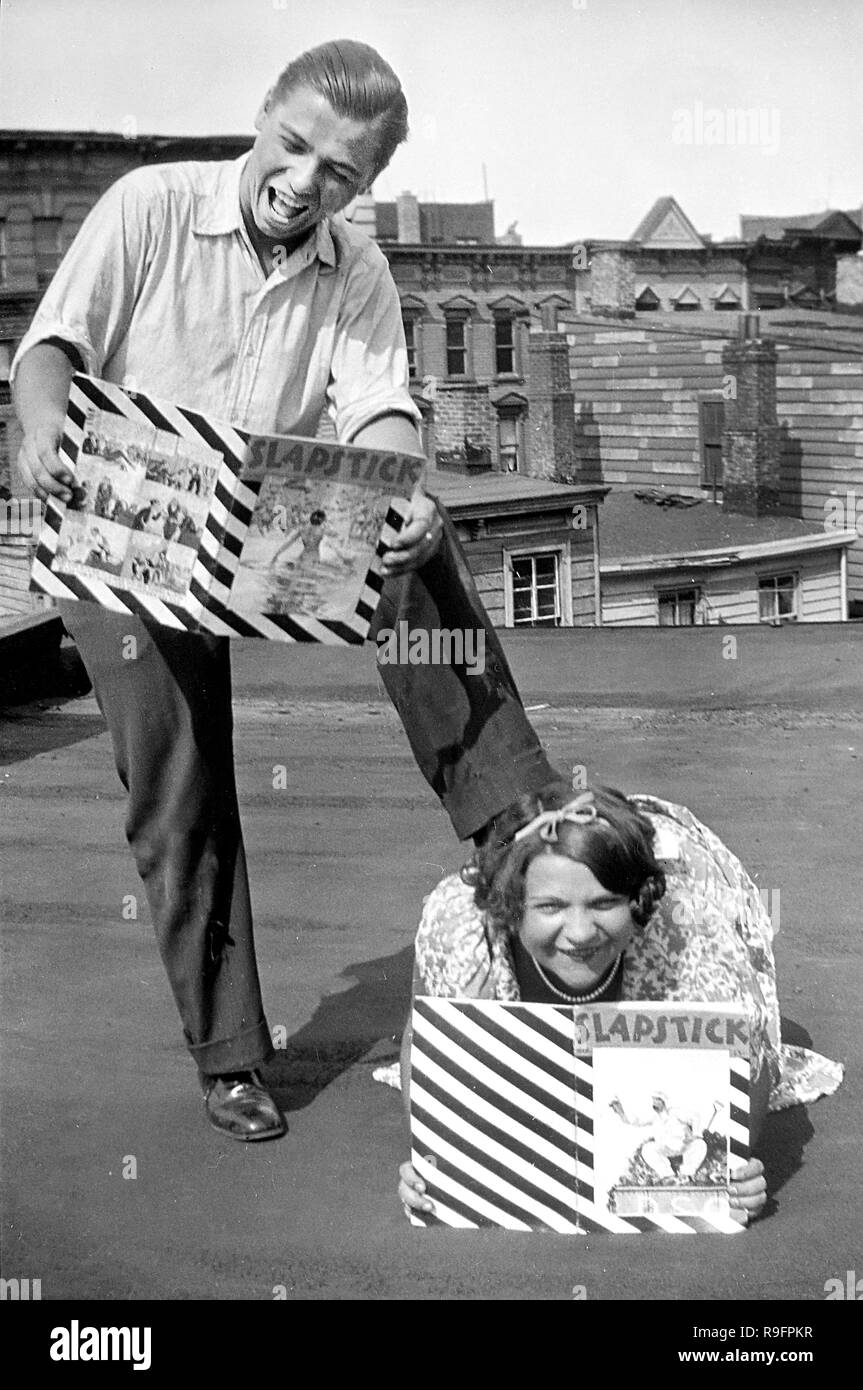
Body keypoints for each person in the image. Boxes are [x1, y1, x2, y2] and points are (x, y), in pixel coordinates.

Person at [11, 39, 556, 1143]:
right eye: (295, 145)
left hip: (271, 517)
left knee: (412, 544)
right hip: (133, 520)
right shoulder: (150, 206)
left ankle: (522, 832)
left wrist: (401, 489)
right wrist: (41, 429)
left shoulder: (357, 268)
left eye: (339, 172)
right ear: (263, 115)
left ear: (366, 184)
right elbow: (51, 346)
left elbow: (377, 410)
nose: (304, 182)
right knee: (178, 772)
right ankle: (230, 1056)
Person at [398, 783, 843, 1224]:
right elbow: (426, 1041)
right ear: (513, 905)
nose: (580, 933)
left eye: (604, 903)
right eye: (551, 907)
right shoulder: (462, 931)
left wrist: (733, 1171)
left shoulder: (691, 935)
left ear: (636, 900)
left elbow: (748, 1055)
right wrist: (433, 1161)